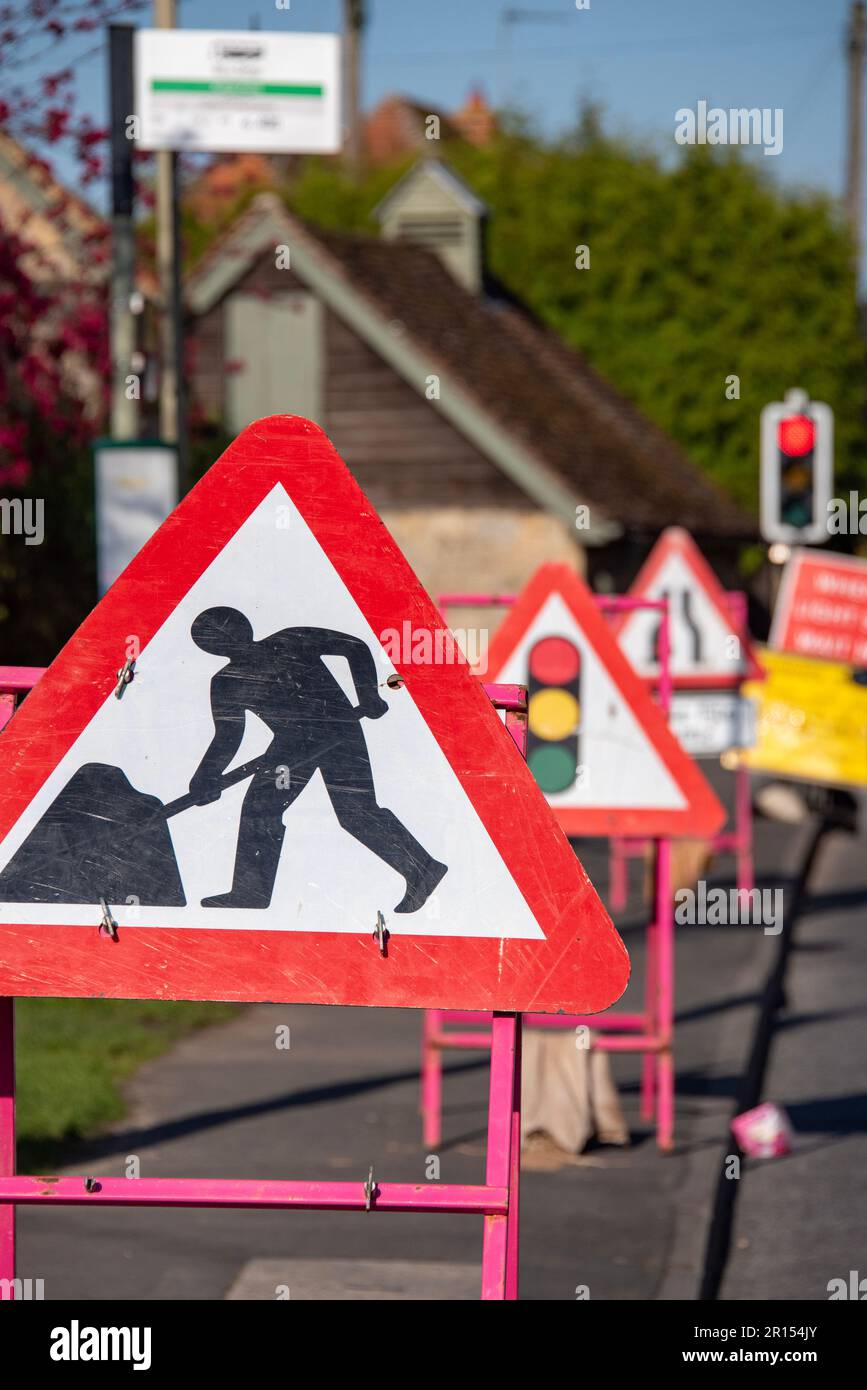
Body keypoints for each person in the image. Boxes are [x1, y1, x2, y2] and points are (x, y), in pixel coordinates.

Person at [188, 607, 447, 913]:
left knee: (355, 811)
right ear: (210, 647)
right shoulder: (226, 682)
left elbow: (354, 647)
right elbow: (228, 735)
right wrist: (206, 776)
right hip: (291, 746)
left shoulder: (289, 640)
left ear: (242, 626)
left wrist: (367, 696)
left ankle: (423, 869)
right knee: (260, 808)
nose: (226, 639)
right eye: (215, 638)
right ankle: (251, 893)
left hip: (338, 730)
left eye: (227, 630)